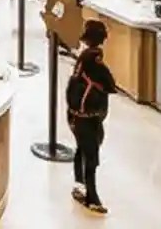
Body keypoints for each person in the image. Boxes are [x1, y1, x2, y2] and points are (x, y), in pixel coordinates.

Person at [65, 20, 118, 216]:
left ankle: (79, 186)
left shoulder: (82, 58)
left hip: (74, 114)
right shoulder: (95, 61)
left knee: (81, 149)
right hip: (89, 117)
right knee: (91, 156)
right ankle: (92, 198)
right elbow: (112, 85)